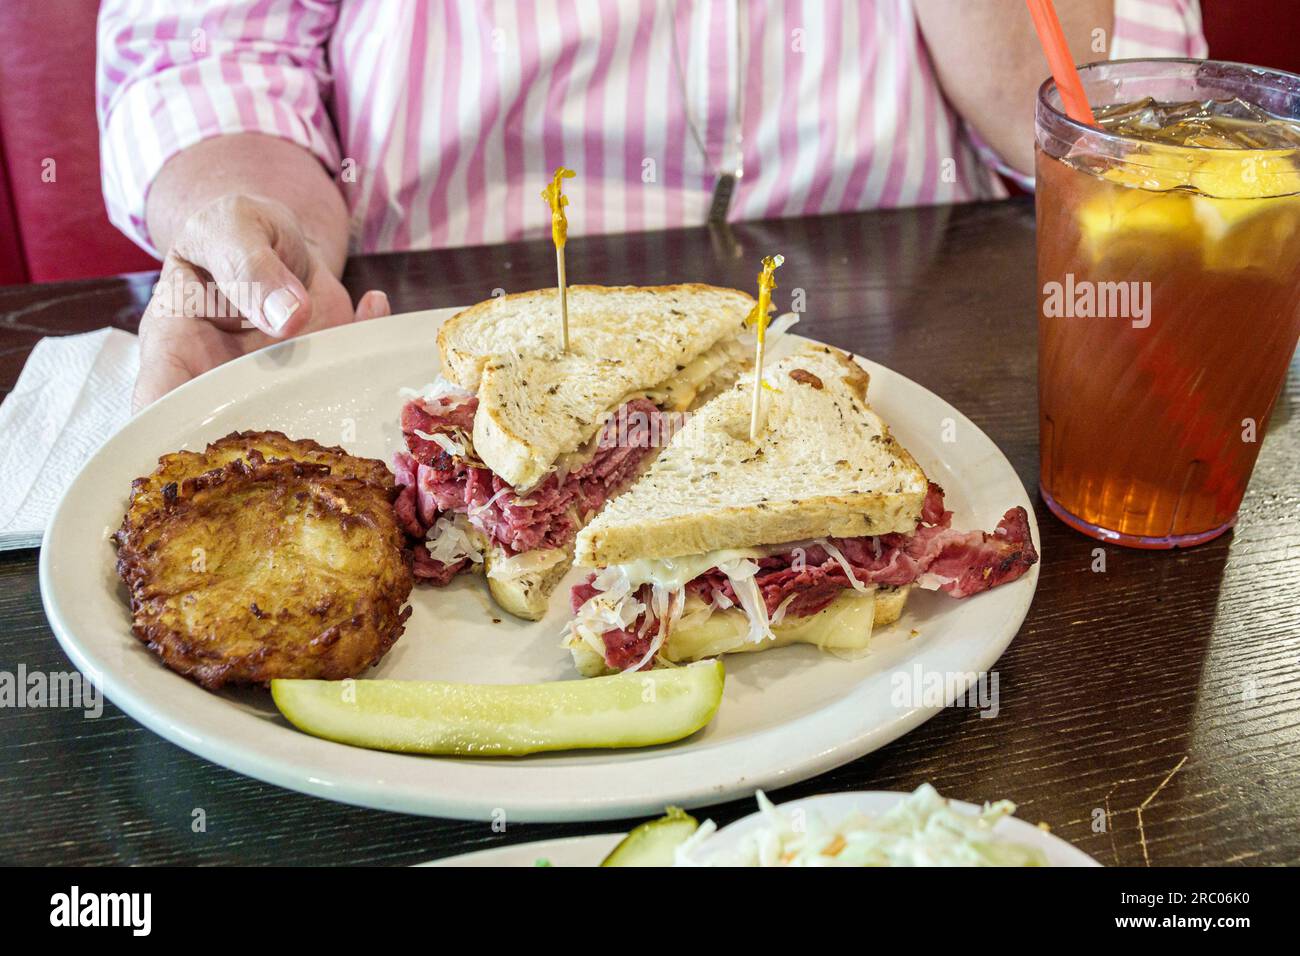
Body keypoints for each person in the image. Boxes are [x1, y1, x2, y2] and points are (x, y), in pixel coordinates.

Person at [97, 0, 1206, 409]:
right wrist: (251, 222)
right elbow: (218, 49)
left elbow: (1130, 143)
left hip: (927, 370)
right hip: (413, 357)